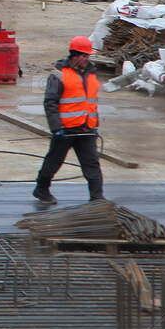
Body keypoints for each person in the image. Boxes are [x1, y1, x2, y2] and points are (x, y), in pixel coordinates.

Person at [34, 36, 105, 204]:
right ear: (75, 55)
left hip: (86, 128)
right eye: (84, 56)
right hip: (65, 130)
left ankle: (97, 197)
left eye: (88, 56)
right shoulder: (59, 74)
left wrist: (94, 125)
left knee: (92, 164)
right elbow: (50, 102)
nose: (87, 59)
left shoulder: (91, 73)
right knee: (54, 161)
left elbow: (91, 102)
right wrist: (56, 128)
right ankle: (41, 189)